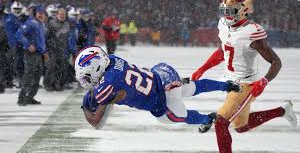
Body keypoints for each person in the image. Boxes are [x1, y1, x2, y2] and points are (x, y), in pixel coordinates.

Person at [191, 0, 297, 153]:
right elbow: (223, 51)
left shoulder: (252, 32)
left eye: (231, 11)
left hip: (247, 83)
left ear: (244, 10)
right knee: (241, 126)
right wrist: (203, 68)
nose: (226, 16)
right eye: (224, 11)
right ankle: (282, 111)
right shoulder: (224, 25)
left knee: (221, 122)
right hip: (230, 81)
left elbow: (276, 62)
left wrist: (264, 81)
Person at [75, 46, 240, 130]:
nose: (87, 81)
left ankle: (207, 120)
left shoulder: (107, 85)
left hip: (160, 99)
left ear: (97, 67)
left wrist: (85, 106)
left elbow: (95, 121)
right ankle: (227, 85)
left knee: (176, 117)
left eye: (87, 76)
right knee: (192, 87)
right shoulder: (111, 58)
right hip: (162, 75)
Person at [15, 5, 49, 106]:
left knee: (37, 76)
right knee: (29, 75)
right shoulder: (31, 23)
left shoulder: (40, 24)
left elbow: (40, 41)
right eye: (39, 13)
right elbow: (18, 34)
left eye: (42, 13)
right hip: (30, 54)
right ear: (35, 13)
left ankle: (30, 97)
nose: (41, 15)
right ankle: (22, 98)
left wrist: (44, 52)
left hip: (38, 54)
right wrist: (28, 44)